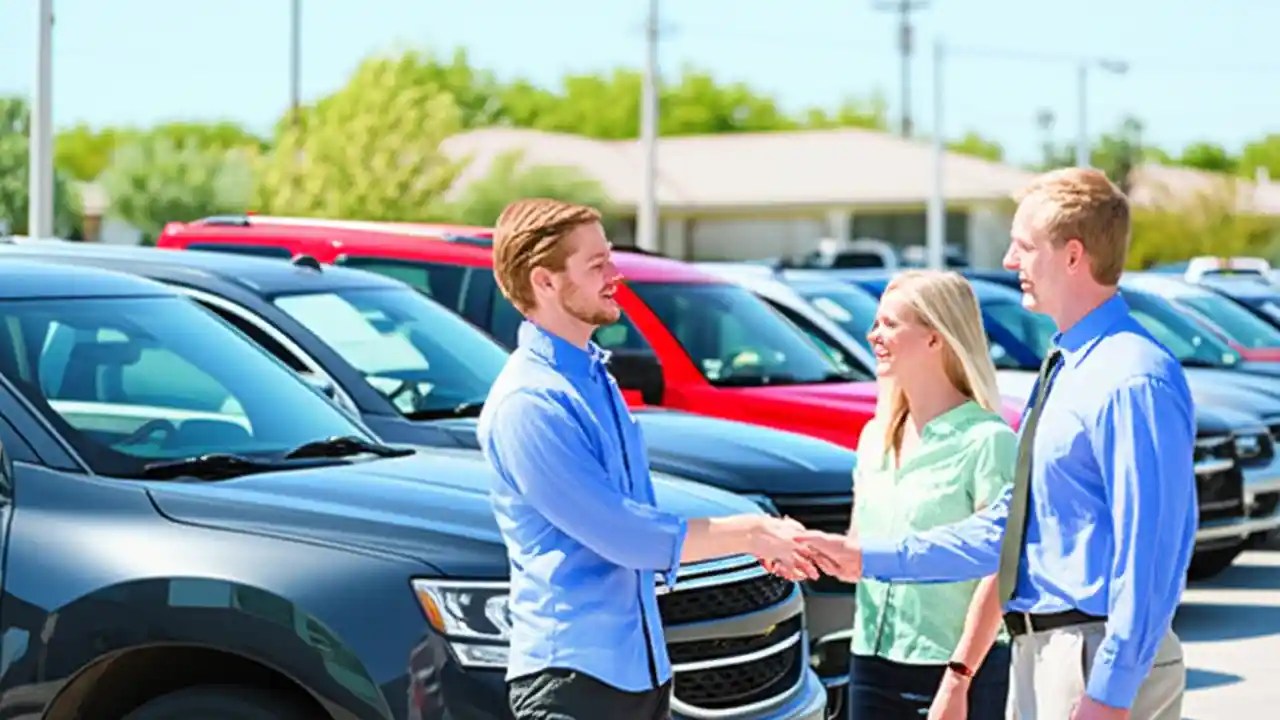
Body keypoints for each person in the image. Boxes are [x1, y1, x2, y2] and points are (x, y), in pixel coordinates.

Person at [810, 167, 1196, 720]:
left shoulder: (1131, 376)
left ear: (1072, 256)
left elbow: (1151, 555)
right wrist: (866, 557)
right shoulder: (1069, 366)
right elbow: (1009, 530)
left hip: (1091, 659)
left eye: (1023, 246)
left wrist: (1109, 693)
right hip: (1042, 655)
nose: (1010, 261)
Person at [476, 197, 826, 720]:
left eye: (609, 257)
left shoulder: (592, 376)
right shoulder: (530, 402)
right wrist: (752, 533)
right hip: (572, 682)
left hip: (640, 671)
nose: (615, 274)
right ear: (545, 282)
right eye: (597, 265)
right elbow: (627, 536)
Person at [845, 270, 1013, 720]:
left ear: (936, 338)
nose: (874, 335)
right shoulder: (874, 436)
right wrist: (797, 552)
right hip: (871, 663)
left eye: (890, 324)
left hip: (954, 671)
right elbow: (859, 551)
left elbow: (1000, 571)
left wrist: (958, 678)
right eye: (875, 323)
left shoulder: (987, 440)